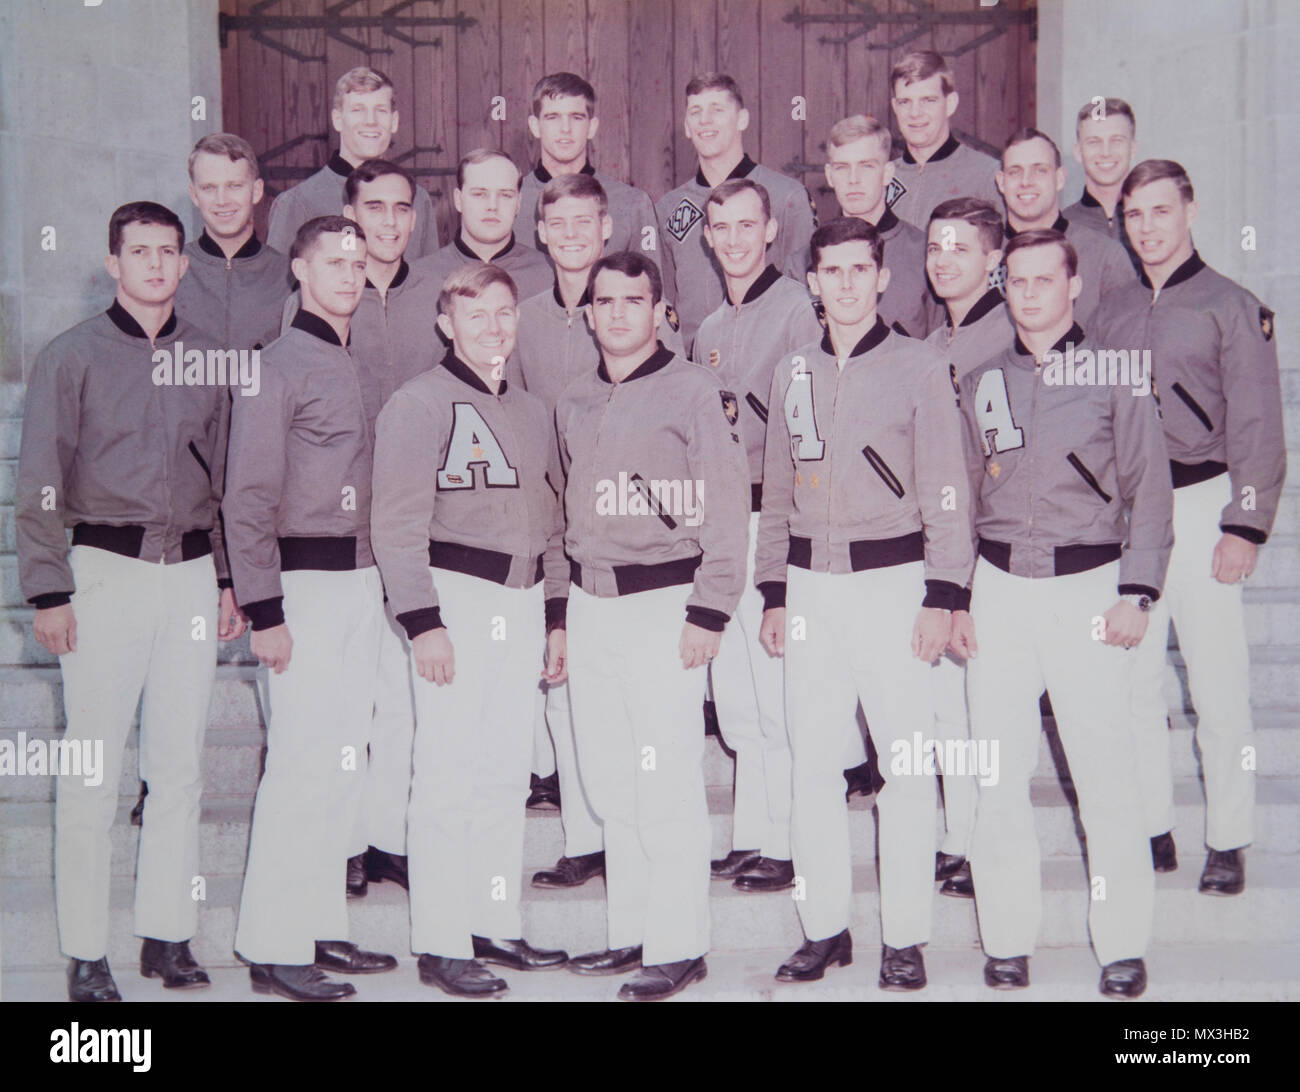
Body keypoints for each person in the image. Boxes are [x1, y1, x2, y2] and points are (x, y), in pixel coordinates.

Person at [17, 201, 242, 1001]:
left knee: (177, 768)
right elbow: (41, 477)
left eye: (168, 252)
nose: (154, 264)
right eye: (138, 251)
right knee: (91, 772)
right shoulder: (70, 357)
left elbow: (224, 481)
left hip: (186, 573)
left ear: (185, 266)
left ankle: (167, 936)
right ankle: (84, 950)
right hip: (103, 573)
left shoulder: (212, 359)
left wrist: (225, 580)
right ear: (113, 263)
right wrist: (49, 589)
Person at [954, 228, 1173, 998]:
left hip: (1090, 589)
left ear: (1073, 285)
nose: (1030, 293)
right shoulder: (981, 380)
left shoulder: (1119, 374)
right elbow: (959, 502)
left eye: (1045, 279)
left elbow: (1151, 490)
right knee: (999, 776)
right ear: (1002, 285)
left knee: (1105, 775)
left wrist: (1137, 590)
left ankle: (1119, 944)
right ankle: (1008, 938)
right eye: (1016, 280)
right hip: (1001, 589)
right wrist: (955, 595)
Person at [756, 217, 972, 991]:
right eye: (831, 271)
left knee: (905, 768)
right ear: (811, 282)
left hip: (894, 584)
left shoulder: (919, 366)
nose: (845, 284)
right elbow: (776, 487)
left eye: (859, 270)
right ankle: (825, 928)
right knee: (811, 765)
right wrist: (775, 590)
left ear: (881, 278)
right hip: (811, 587)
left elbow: (949, 485)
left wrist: (944, 593)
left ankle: (906, 936)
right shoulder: (792, 372)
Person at [371, 263, 571, 997]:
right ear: (445, 323)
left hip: (519, 602)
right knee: (449, 772)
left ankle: (494, 922)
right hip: (455, 599)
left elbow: (552, 522)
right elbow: (395, 523)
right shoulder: (418, 403)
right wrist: (424, 622)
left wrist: (556, 614)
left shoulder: (532, 409)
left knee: (501, 773)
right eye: (475, 314)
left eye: (504, 313)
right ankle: (443, 940)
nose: (493, 327)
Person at [555, 251, 750, 1000]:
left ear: (659, 308)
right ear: (589, 312)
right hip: (592, 603)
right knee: (610, 779)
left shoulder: (695, 390)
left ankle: (677, 943)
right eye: (603, 302)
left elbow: (728, 510)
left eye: (632, 301)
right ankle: (630, 933)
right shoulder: (573, 399)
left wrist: (709, 608)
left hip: (666, 604)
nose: (616, 314)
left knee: (663, 777)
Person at [1098, 160, 1287, 894]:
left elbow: (1258, 427)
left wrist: (1244, 524)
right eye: (1135, 215)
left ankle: (1229, 838)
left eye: (1160, 212)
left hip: (1204, 501)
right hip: (1129, 514)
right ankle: (1152, 828)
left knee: (1216, 680)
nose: (1147, 227)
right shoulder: (1108, 312)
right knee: (1133, 678)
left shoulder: (1231, 306)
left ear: (1190, 211)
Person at [226, 216, 397, 1002]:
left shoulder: (357, 363)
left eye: (359, 261)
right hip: (300, 587)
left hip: (360, 582)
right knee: (297, 766)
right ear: (298, 269)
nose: (349, 273)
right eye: (333, 260)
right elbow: (248, 498)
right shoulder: (273, 366)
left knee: (341, 762)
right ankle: (273, 942)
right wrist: (266, 610)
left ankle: (323, 923)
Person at [512, 172, 682, 890]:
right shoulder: (520, 317)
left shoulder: (640, 309)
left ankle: (644, 843)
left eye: (588, 221)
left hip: (636, 536)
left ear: (608, 227)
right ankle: (587, 838)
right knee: (566, 693)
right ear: (542, 233)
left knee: (640, 714)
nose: (574, 233)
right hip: (555, 519)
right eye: (561, 223)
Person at [690, 178, 823, 893]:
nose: (736, 240)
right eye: (723, 228)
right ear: (708, 237)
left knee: (775, 685)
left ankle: (789, 837)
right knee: (735, 690)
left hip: (774, 514)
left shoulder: (798, 308)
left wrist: (790, 530)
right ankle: (751, 834)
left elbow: (807, 431)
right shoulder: (708, 329)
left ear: (771, 230)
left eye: (749, 226)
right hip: (721, 517)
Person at [335, 159, 445, 899]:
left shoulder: (439, 291)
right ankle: (342, 841)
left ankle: (388, 839)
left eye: (401, 208)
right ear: (352, 211)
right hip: (339, 529)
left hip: (419, 522)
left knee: (407, 693)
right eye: (374, 206)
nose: (388, 220)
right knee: (349, 693)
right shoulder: (319, 292)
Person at [922, 196, 1015, 898]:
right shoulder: (929, 347)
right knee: (946, 704)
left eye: (959, 248)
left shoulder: (1009, 341)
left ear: (995, 259)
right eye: (935, 248)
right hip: (937, 546)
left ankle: (988, 840)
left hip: (989, 548)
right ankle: (959, 836)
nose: (944, 261)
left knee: (986, 702)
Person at [656, 73, 817, 350]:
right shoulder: (669, 208)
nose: (705, 120)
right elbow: (665, 300)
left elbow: (807, 293)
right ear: (686, 126)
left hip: (767, 361)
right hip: (694, 367)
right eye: (696, 112)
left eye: (717, 110)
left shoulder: (786, 196)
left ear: (742, 119)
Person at [266, 66, 439, 258]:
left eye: (380, 110)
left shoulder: (417, 200)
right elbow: (279, 287)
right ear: (338, 119)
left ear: (394, 121)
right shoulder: (298, 203)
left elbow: (427, 280)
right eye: (358, 110)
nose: (371, 121)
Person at [513, 72, 659, 270]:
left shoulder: (632, 204)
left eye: (576, 117)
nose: (565, 128)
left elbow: (651, 291)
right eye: (553, 117)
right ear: (535, 126)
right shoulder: (510, 203)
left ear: (592, 127)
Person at [996, 128, 1136, 328]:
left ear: (1060, 178)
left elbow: (1128, 344)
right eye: (1015, 172)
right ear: (1001, 182)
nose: (1026, 182)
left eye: (1040, 170)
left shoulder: (1105, 257)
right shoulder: (982, 255)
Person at [815, 114, 939, 337]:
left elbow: (941, 345)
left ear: (888, 173)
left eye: (866, 166)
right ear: (829, 176)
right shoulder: (806, 258)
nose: (853, 179)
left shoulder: (925, 253)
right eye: (842, 167)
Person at [175, 133, 291, 349]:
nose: (222, 200)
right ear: (194, 195)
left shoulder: (289, 277)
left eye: (234, 186)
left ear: (256, 191)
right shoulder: (170, 273)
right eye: (209, 188)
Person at [416, 149, 553, 303]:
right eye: (480, 194)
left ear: (518, 204)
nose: (492, 206)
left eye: (505, 195)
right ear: (458, 200)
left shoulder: (550, 276)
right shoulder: (420, 278)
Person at [887, 50, 1001, 230]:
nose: (915, 113)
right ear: (895, 107)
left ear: (950, 104)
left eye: (928, 100)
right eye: (905, 102)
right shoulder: (881, 178)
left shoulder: (987, 176)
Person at [1066, 97, 1140, 267]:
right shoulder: (1061, 227)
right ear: (1078, 152)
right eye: (1094, 142)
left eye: (1116, 140)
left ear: (1133, 148)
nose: (1106, 152)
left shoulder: (1155, 221)